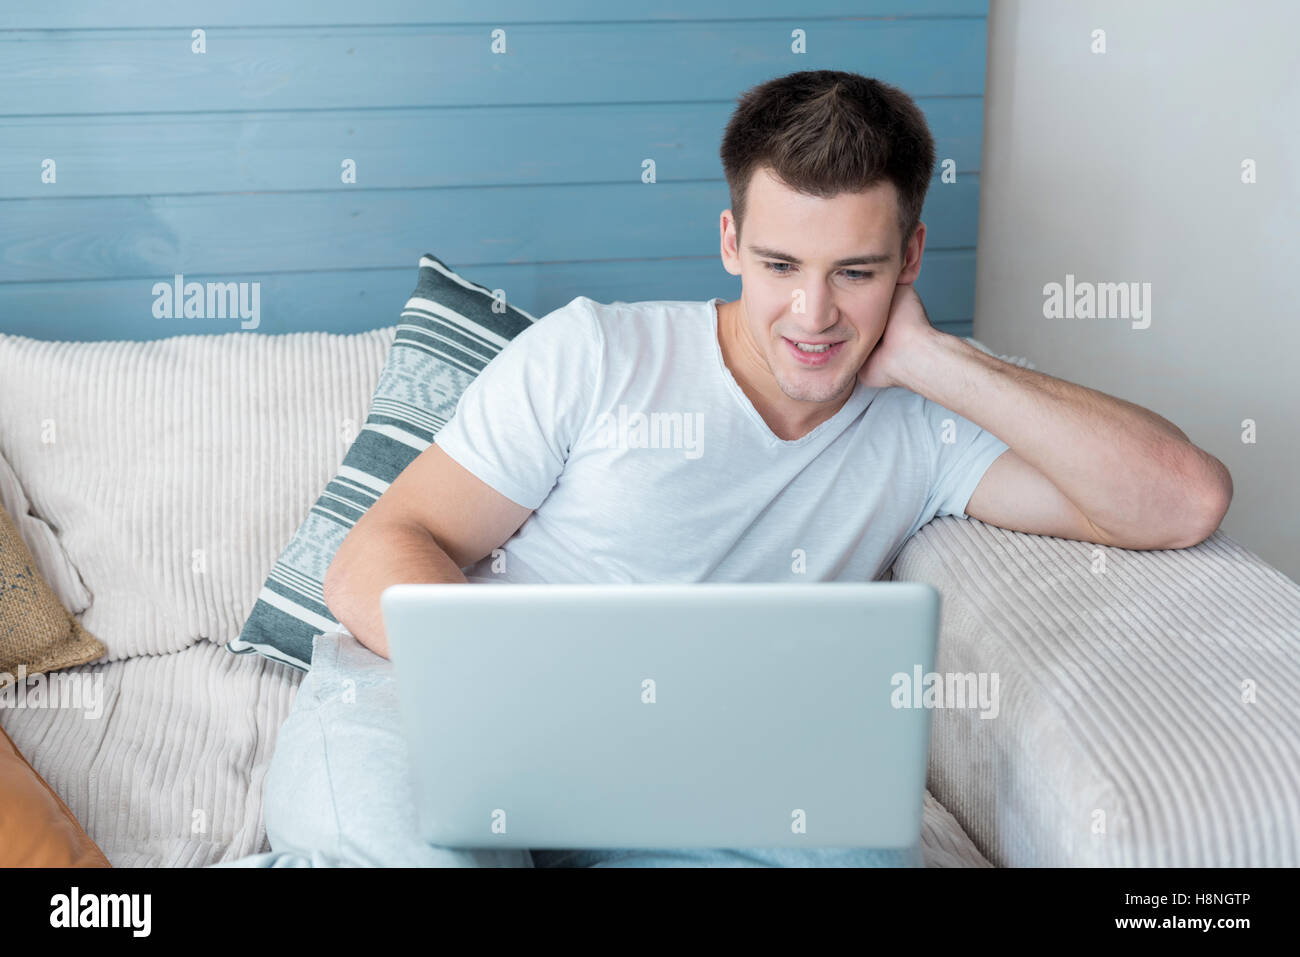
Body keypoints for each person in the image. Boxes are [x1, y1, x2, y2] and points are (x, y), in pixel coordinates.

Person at [218, 70, 1230, 869]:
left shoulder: (927, 422)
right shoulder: (597, 355)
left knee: (850, 853)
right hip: (436, 701)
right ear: (730, 242)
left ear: (911, 259)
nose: (814, 315)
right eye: (782, 266)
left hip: (684, 774)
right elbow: (372, 559)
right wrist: (530, 698)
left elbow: (1180, 500)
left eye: (857, 272)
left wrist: (934, 358)